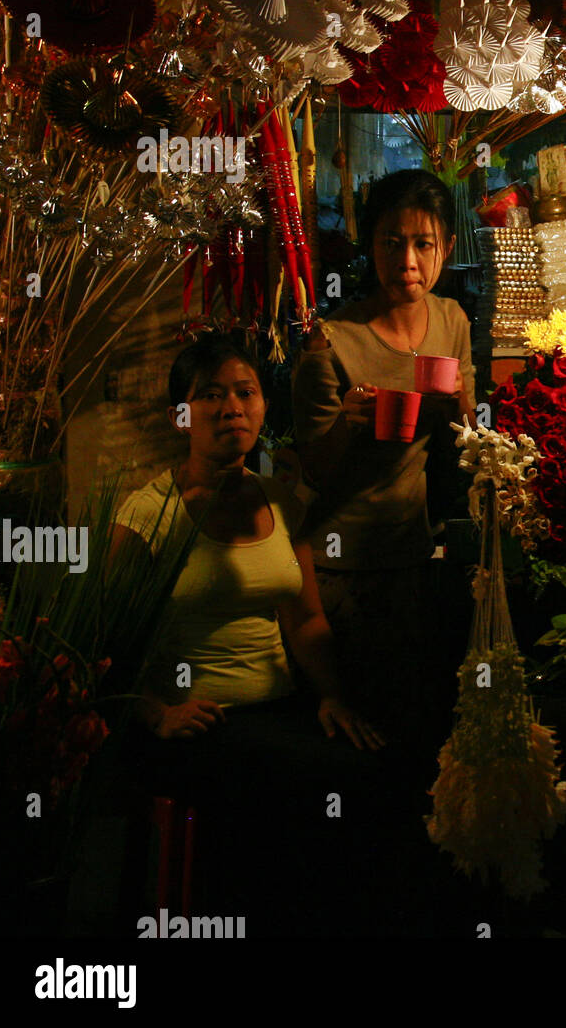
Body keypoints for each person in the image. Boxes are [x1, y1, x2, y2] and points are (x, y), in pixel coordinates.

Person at [112, 333, 409, 933]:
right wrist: (155, 713)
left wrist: (331, 694)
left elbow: (305, 618)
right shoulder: (146, 515)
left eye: (245, 392)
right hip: (194, 723)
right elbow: (105, 644)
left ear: (263, 407)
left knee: (372, 772)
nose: (232, 408)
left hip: (278, 710)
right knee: (271, 794)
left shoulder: (278, 501)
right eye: (210, 396)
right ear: (181, 415)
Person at [291, 169, 476, 749]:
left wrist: (461, 414)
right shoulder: (332, 340)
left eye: (424, 244)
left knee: (417, 730)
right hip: (340, 569)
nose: (409, 263)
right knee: (349, 736)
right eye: (392, 244)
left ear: (446, 247)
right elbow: (314, 472)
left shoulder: (452, 322)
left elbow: (463, 444)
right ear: (370, 247)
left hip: (414, 560)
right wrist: (348, 425)